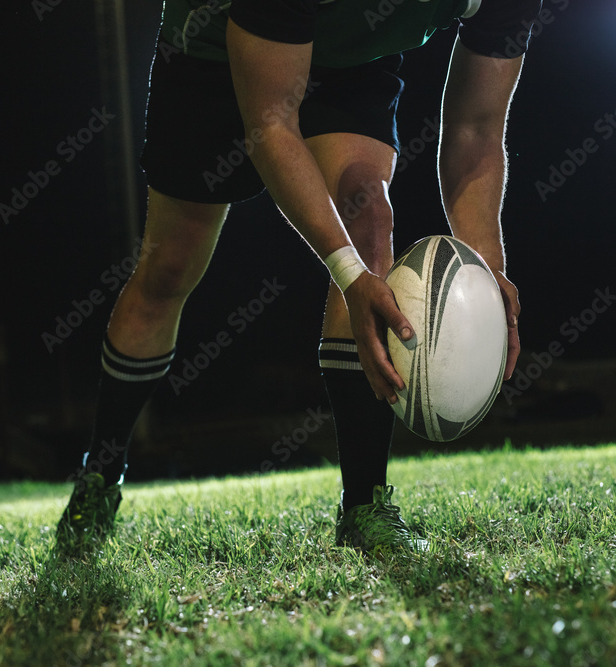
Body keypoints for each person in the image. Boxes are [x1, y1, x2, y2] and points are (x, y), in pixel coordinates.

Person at [56, 0, 536, 555]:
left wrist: (487, 271)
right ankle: (101, 471)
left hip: (349, 59)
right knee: (168, 269)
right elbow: (269, 124)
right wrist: (348, 275)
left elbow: (476, 128)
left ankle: (364, 503)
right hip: (213, 47)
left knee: (368, 215)